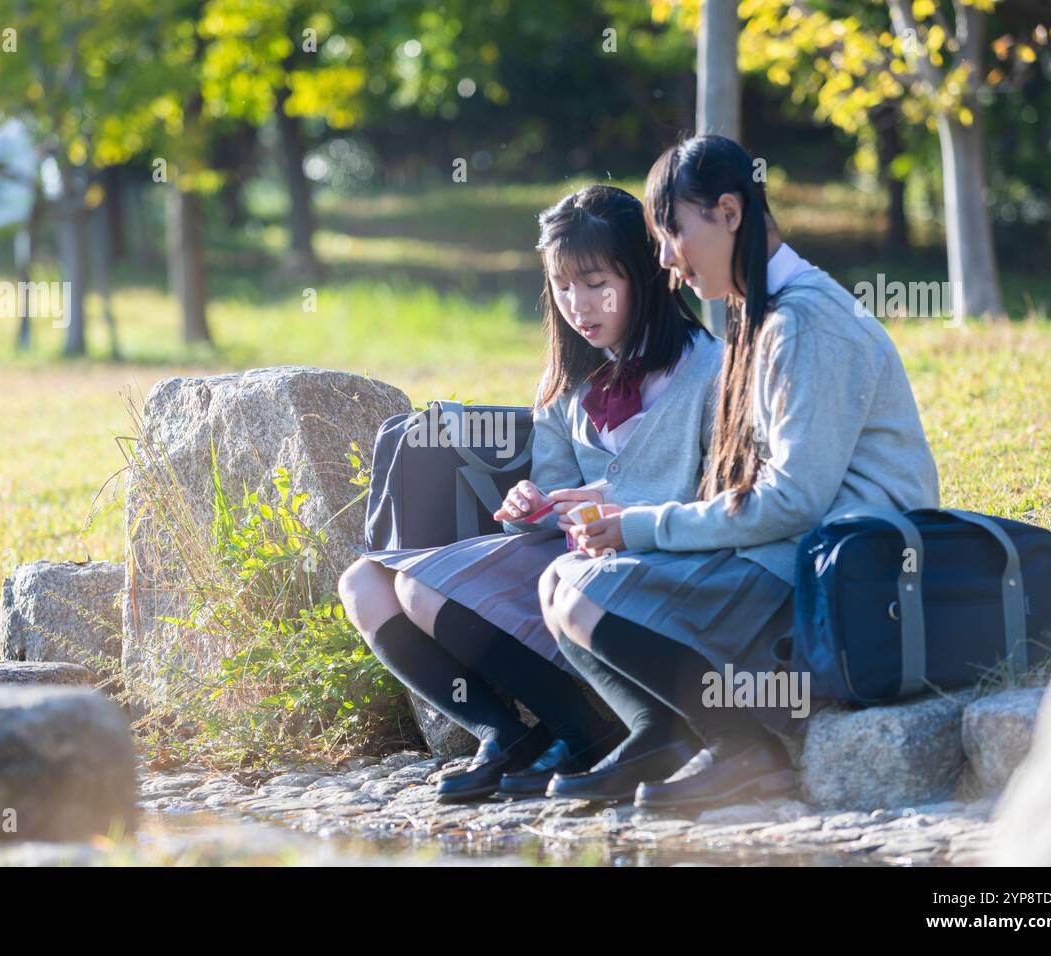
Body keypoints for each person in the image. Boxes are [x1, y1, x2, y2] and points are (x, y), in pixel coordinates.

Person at [541, 135, 940, 808]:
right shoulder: (763, 313)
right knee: (561, 579)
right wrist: (618, 509)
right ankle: (659, 736)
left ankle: (744, 750)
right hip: (788, 547)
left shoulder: (805, 324)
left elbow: (794, 502)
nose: (665, 260)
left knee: (584, 594)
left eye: (672, 234)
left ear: (728, 212)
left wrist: (640, 526)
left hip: (842, 566)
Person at [337, 183, 723, 801]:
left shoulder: (708, 370)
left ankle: (580, 728)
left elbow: (717, 493)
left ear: (647, 271)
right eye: (563, 286)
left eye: (598, 283)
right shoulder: (570, 380)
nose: (579, 304)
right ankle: (504, 732)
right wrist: (531, 505)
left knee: (416, 584)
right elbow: (554, 489)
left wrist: (618, 504)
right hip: (572, 552)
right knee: (362, 583)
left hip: (654, 557)